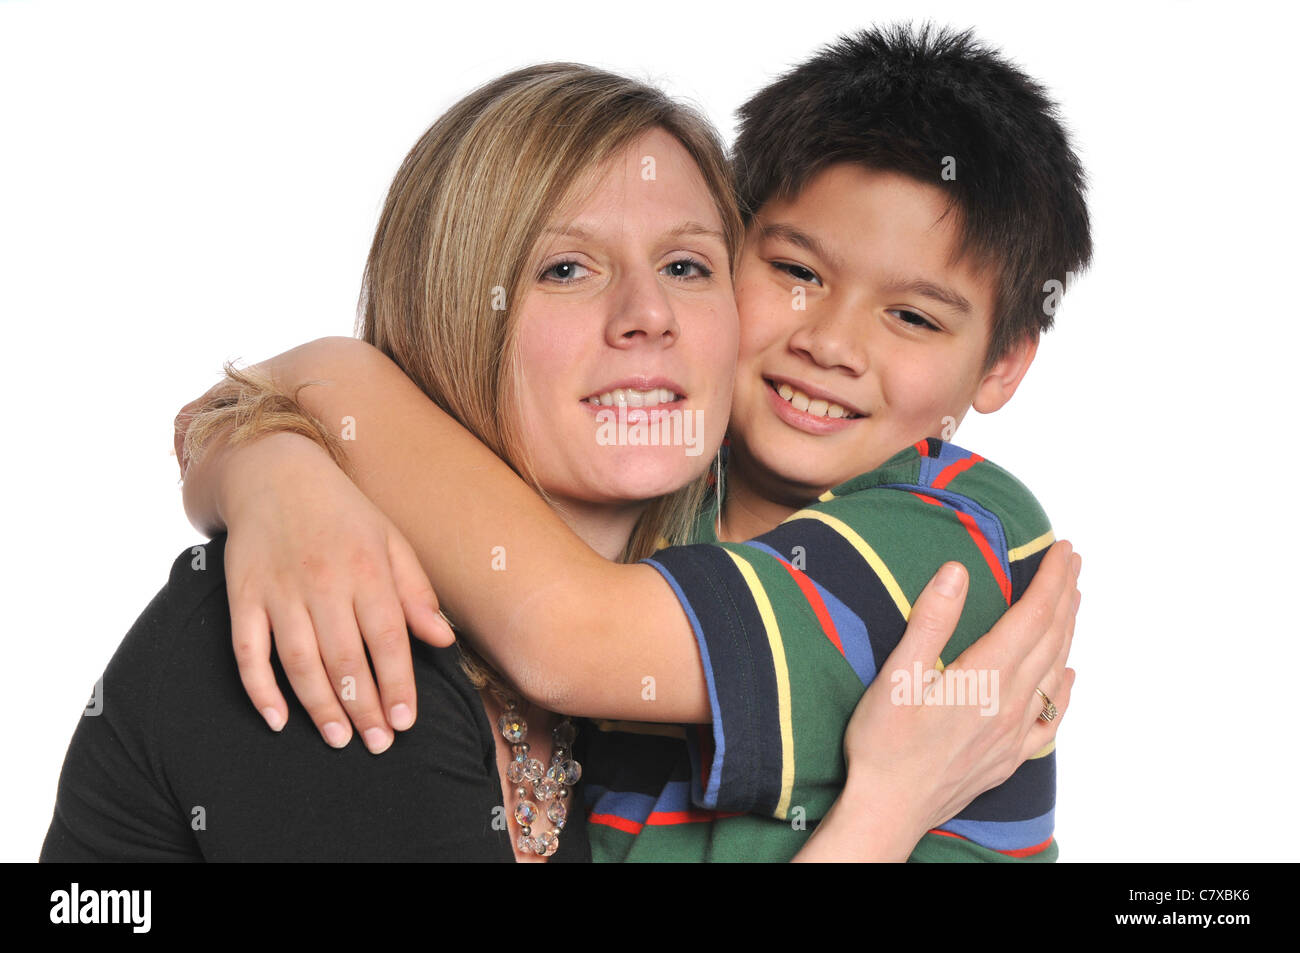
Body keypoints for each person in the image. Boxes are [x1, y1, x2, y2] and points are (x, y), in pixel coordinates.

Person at [42, 61, 1064, 863]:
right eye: (565, 267)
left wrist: (305, 399)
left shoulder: (939, 543)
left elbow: (569, 629)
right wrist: (272, 449)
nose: (648, 315)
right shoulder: (333, 623)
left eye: (684, 264)